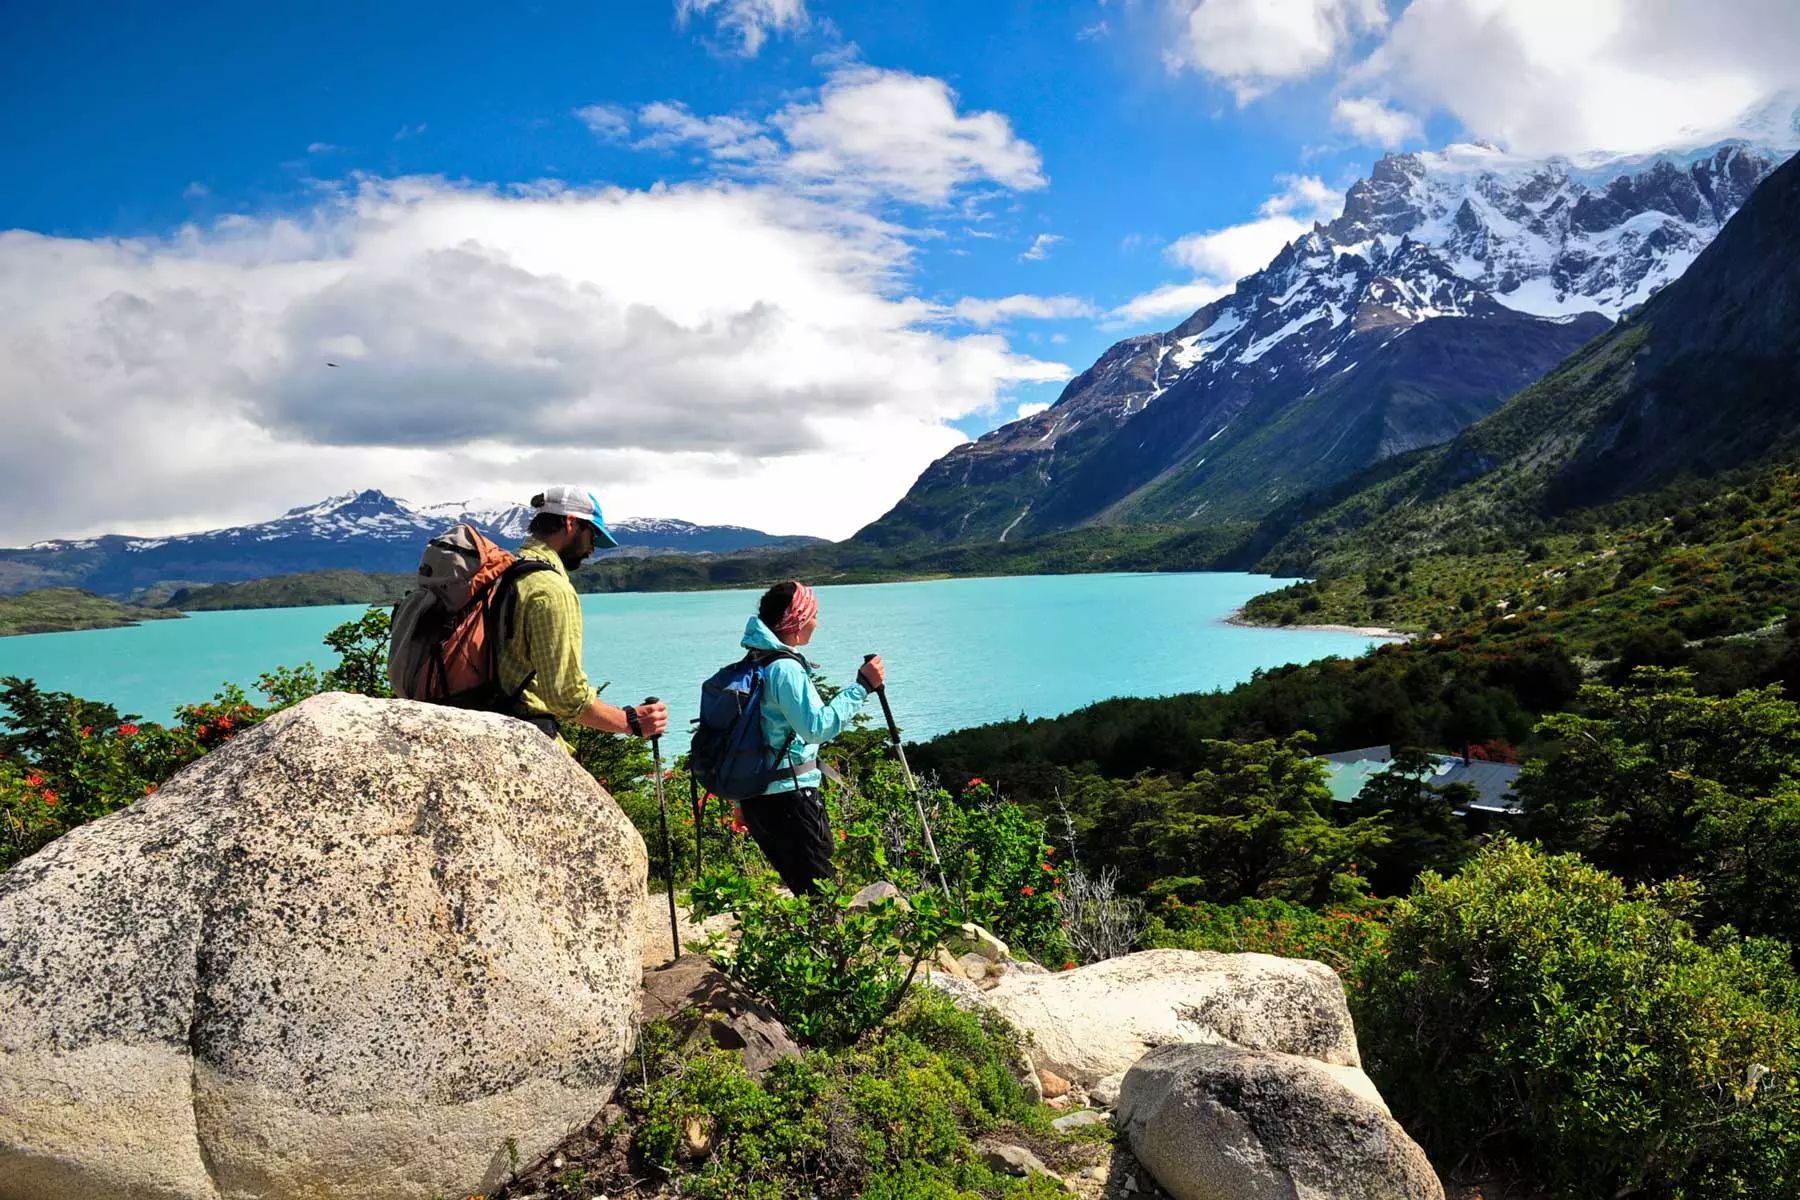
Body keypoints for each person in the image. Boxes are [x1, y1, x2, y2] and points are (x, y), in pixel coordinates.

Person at [736, 580, 885, 896]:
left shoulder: (754, 661)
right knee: (823, 898)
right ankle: (831, 947)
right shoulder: (784, 669)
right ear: (798, 621)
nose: (817, 621)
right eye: (813, 614)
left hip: (756, 796)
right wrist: (862, 687)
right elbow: (817, 726)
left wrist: (740, 796)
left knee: (803, 892)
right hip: (790, 799)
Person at [496, 485, 668, 746]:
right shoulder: (551, 590)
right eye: (593, 535)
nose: (592, 550)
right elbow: (565, 696)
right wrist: (631, 722)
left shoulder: (502, 570)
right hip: (518, 737)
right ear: (571, 523)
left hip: (478, 719)